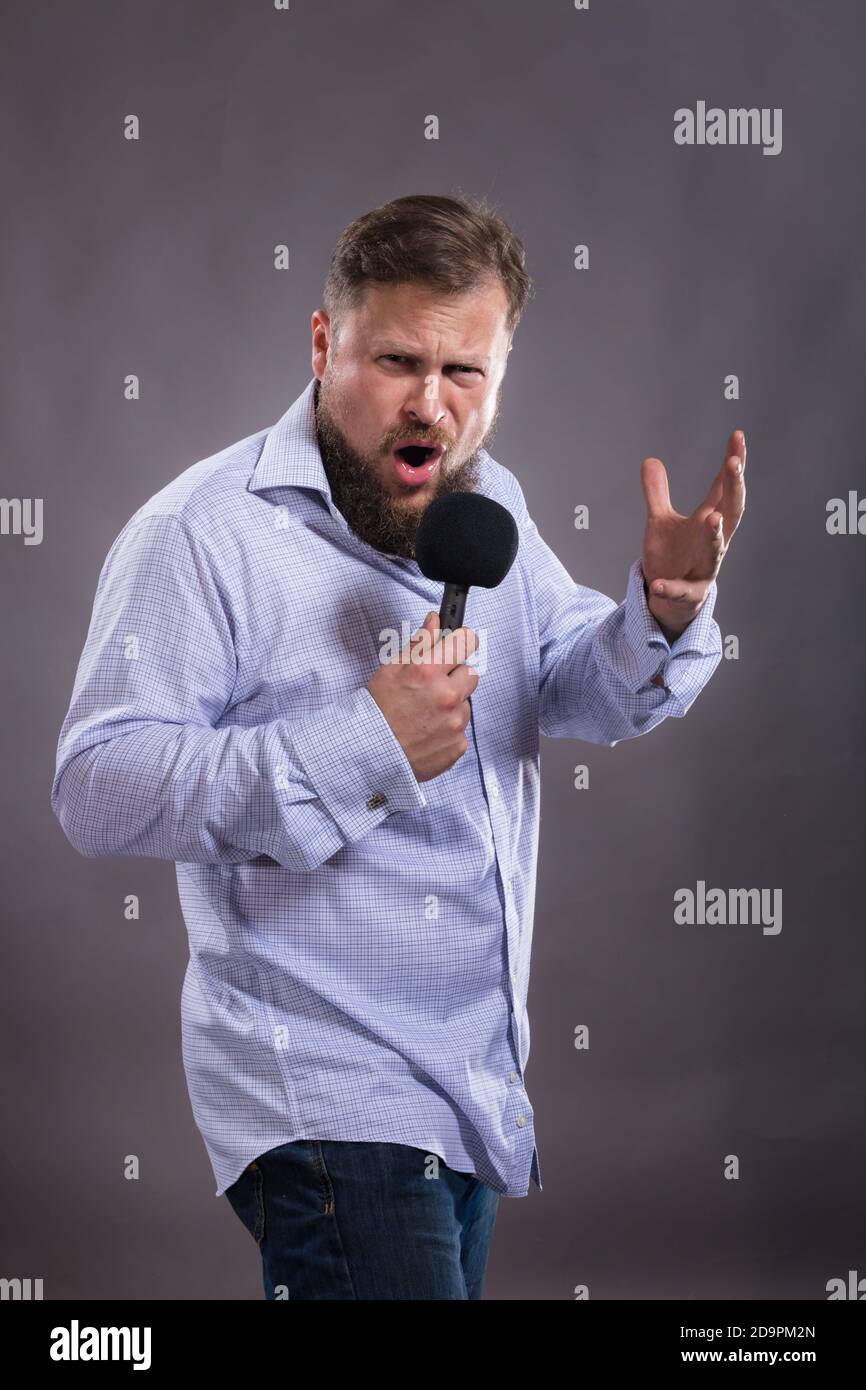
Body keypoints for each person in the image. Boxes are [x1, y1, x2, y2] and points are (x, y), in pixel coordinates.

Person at [50, 193, 746, 1300]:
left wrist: (660, 613)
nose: (430, 404)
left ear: (501, 372)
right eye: (397, 361)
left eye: (464, 372)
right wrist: (363, 738)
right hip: (324, 1095)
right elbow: (96, 783)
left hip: (469, 1091)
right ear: (325, 344)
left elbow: (568, 679)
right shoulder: (204, 533)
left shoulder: (489, 505)